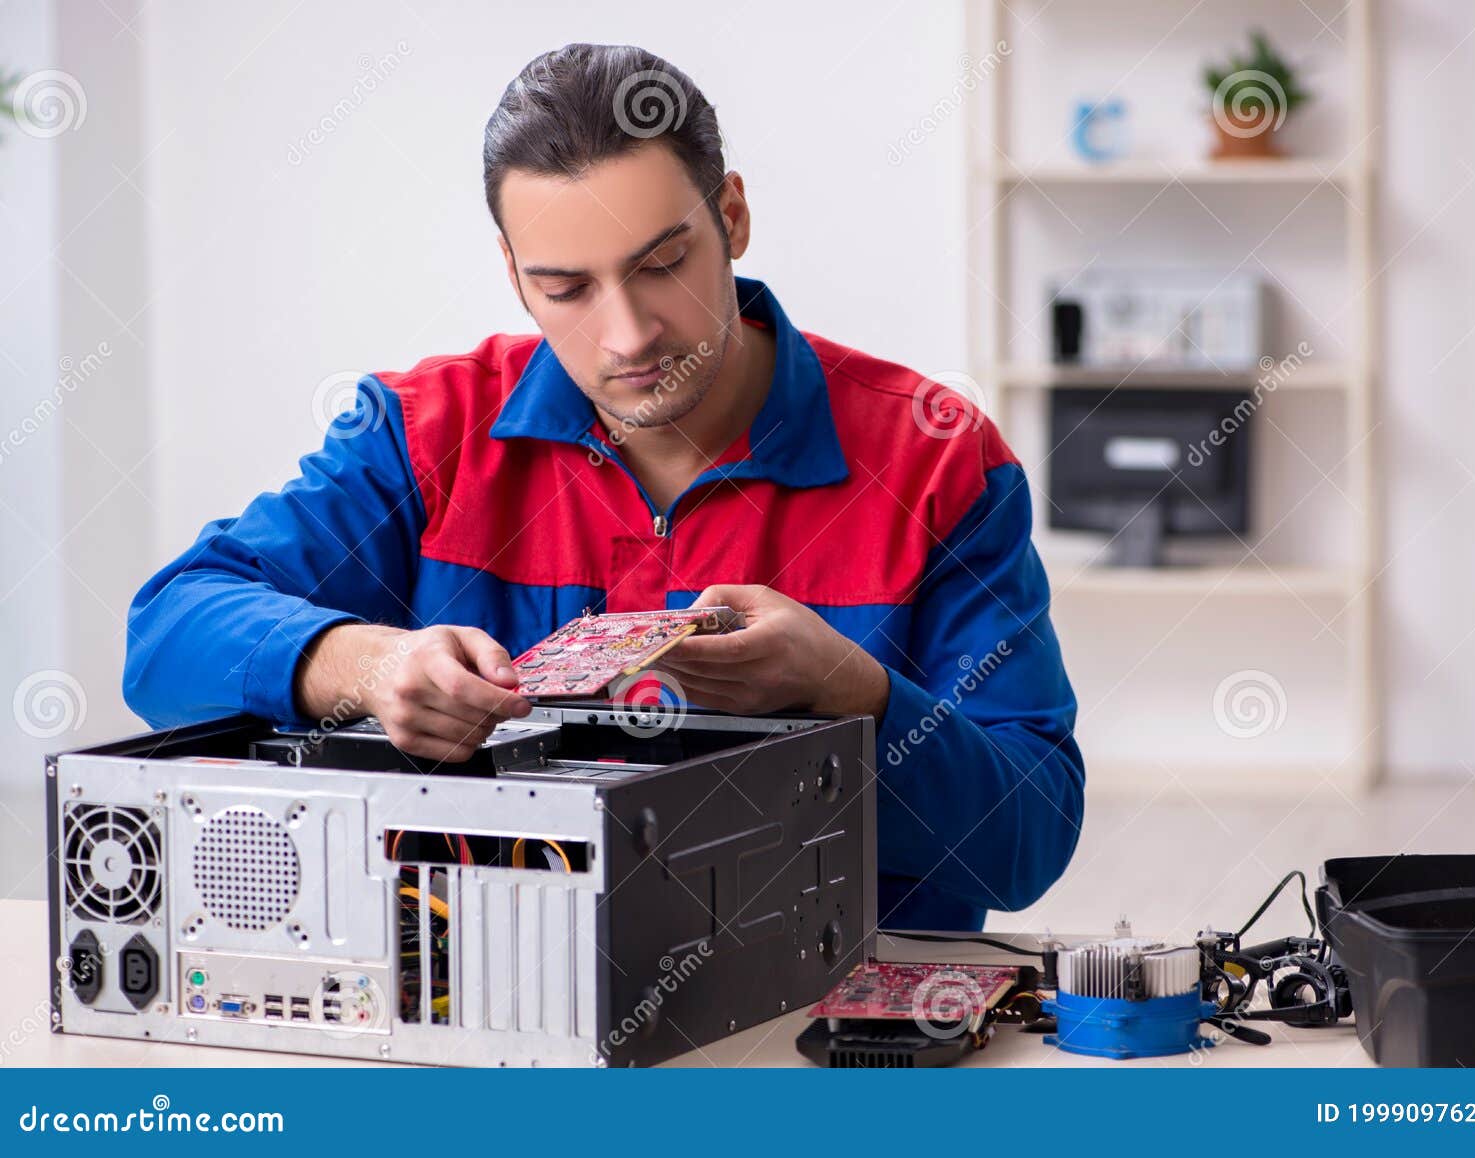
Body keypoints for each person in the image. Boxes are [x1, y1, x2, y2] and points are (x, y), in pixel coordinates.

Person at [123, 43, 1085, 932]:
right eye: (567, 289)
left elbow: (1030, 837)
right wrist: (365, 668)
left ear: (733, 218)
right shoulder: (422, 434)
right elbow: (167, 632)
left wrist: (857, 695)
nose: (626, 337)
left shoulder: (937, 459)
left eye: (662, 264)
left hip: (830, 1038)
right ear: (513, 274)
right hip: (489, 1001)